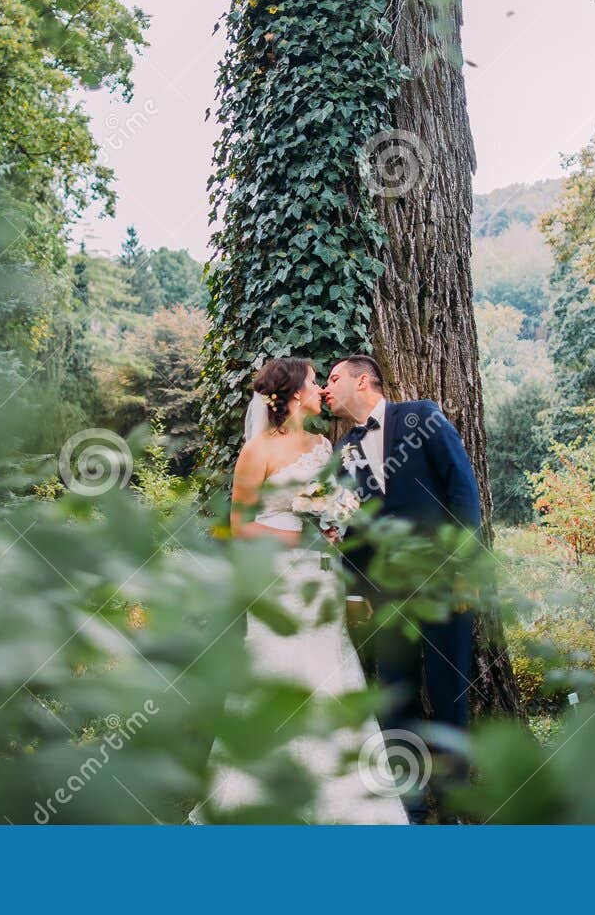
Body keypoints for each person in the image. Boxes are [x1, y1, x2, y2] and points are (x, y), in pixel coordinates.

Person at [189, 357, 408, 824]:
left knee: (332, 671)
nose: (320, 389)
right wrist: (292, 530)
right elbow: (238, 526)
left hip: (321, 578)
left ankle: (345, 798)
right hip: (277, 582)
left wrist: (331, 523)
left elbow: (334, 507)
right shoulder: (258, 451)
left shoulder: (325, 445)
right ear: (292, 394)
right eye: (313, 381)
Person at [322, 353, 480, 822]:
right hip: (385, 598)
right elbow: (350, 532)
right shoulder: (340, 453)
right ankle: (408, 805)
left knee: (450, 694)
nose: (326, 388)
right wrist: (355, 591)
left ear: (363, 381)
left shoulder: (422, 416)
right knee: (396, 697)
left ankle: (454, 807)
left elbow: (463, 491)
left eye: (333, 378)